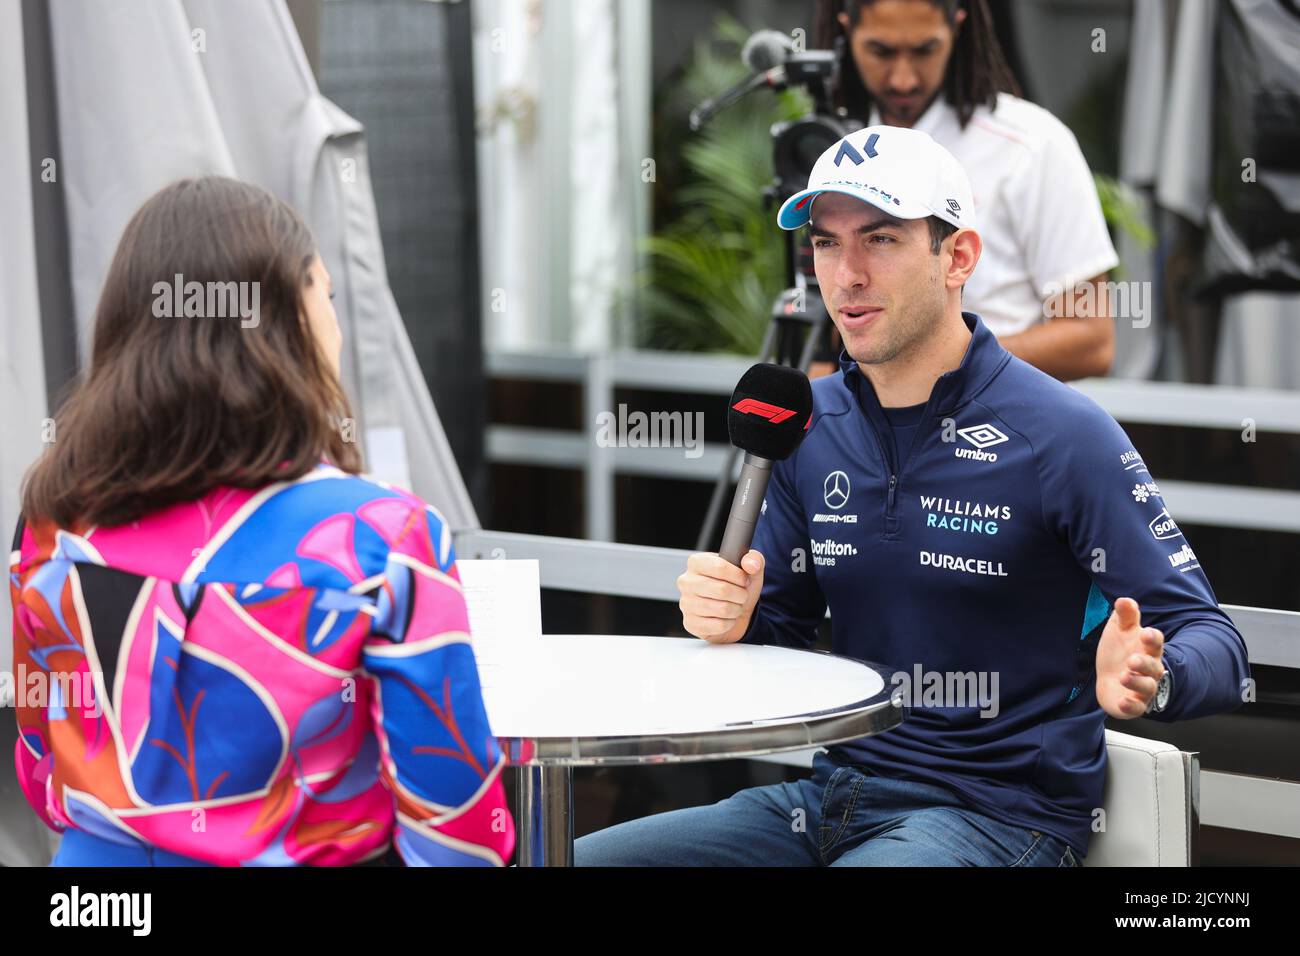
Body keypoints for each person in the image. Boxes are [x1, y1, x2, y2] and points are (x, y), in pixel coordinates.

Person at [575, 126, 1250, 866]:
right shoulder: (809, 422)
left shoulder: (1062, 434)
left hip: (994, 819)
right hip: (823, 799)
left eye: (881, 239)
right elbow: (781, 636)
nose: (847, 274)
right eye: (826, 245)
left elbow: (1217, 642)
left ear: (957, 257)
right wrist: (735, 620)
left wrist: (1153, 676)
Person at [10, 176, 513, 867]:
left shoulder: (54, 523)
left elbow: (43, 767)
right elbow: (457, 835)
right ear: (292, 327)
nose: (335, 324)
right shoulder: (384, 540)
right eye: (326, 297)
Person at [805, 0, 1118, 381]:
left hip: (1000, 430)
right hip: (869, 432)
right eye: (881, 51)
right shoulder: (826, 149)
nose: (903, 78)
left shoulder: (1034, 145)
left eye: (925, 49)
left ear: (958, 26)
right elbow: (823, 343)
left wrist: (934, 360)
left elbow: (1092, 341)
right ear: (846, 31)